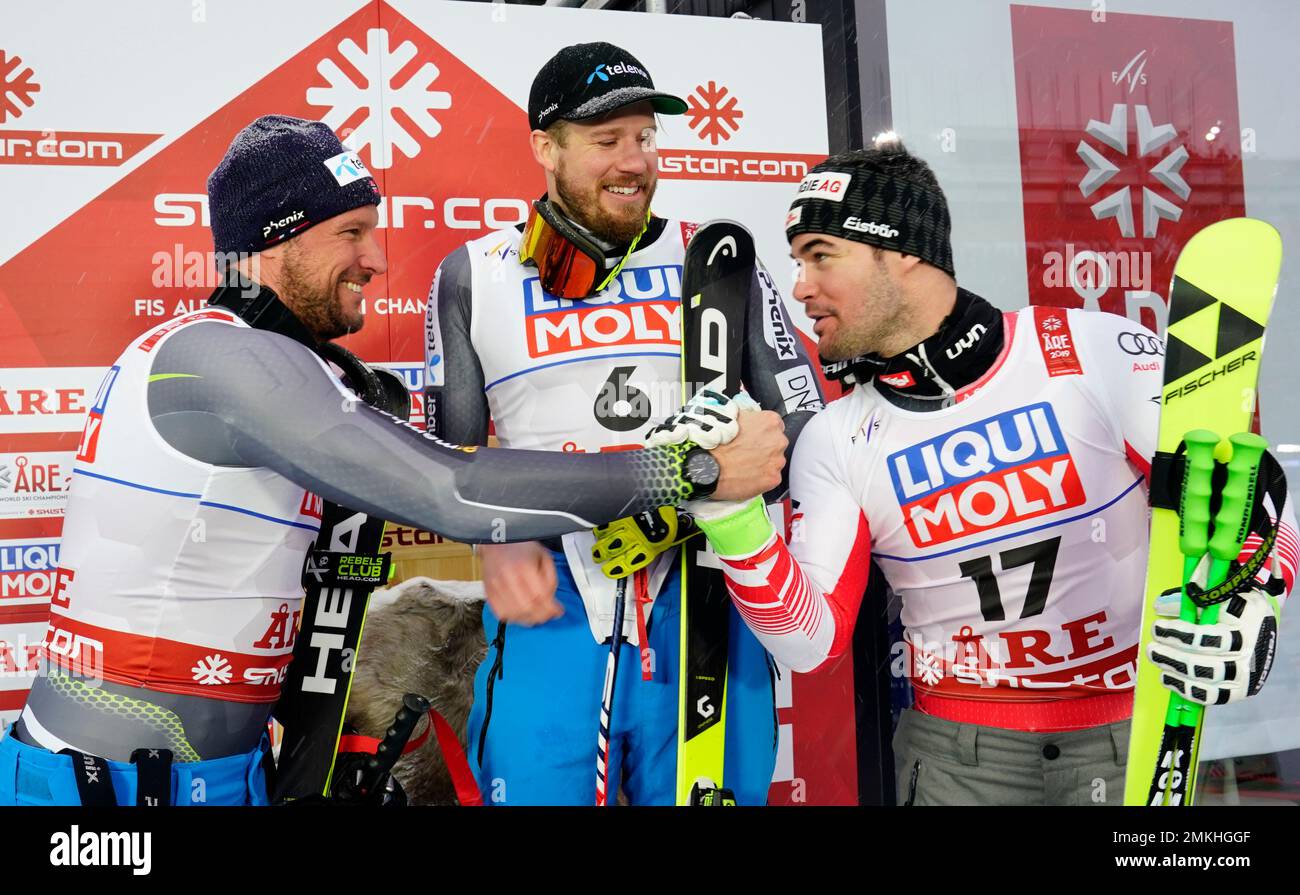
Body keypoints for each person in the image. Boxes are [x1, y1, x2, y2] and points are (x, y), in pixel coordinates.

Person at [0, 114, 788, 807]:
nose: (376, 260)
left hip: (224, 776)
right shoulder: (215, 358)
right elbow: (454, 487)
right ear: (278, 240)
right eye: (351, 233)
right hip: (97, 786)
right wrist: (691, 471)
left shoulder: (295, 374)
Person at [609, 140, 1298, 805]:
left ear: (903, 249)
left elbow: (1245, 499)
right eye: (796, 261)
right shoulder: (836, 436)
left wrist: (1254, 601)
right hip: (955, 757)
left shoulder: (1089, 352)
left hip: (1130, 732)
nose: (800, 286)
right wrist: (732, 517)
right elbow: (810, 642)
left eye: (821, 256)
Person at [423, 42, 823, 805]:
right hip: (553, 603)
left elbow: (805, 421)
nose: (633, 161)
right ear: (546, 147)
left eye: (645, 137)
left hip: (705, 596)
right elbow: (454, 461)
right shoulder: (474, 273)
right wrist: (492, 550)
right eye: (607, 141)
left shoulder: (715, 255)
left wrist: (756, 463)